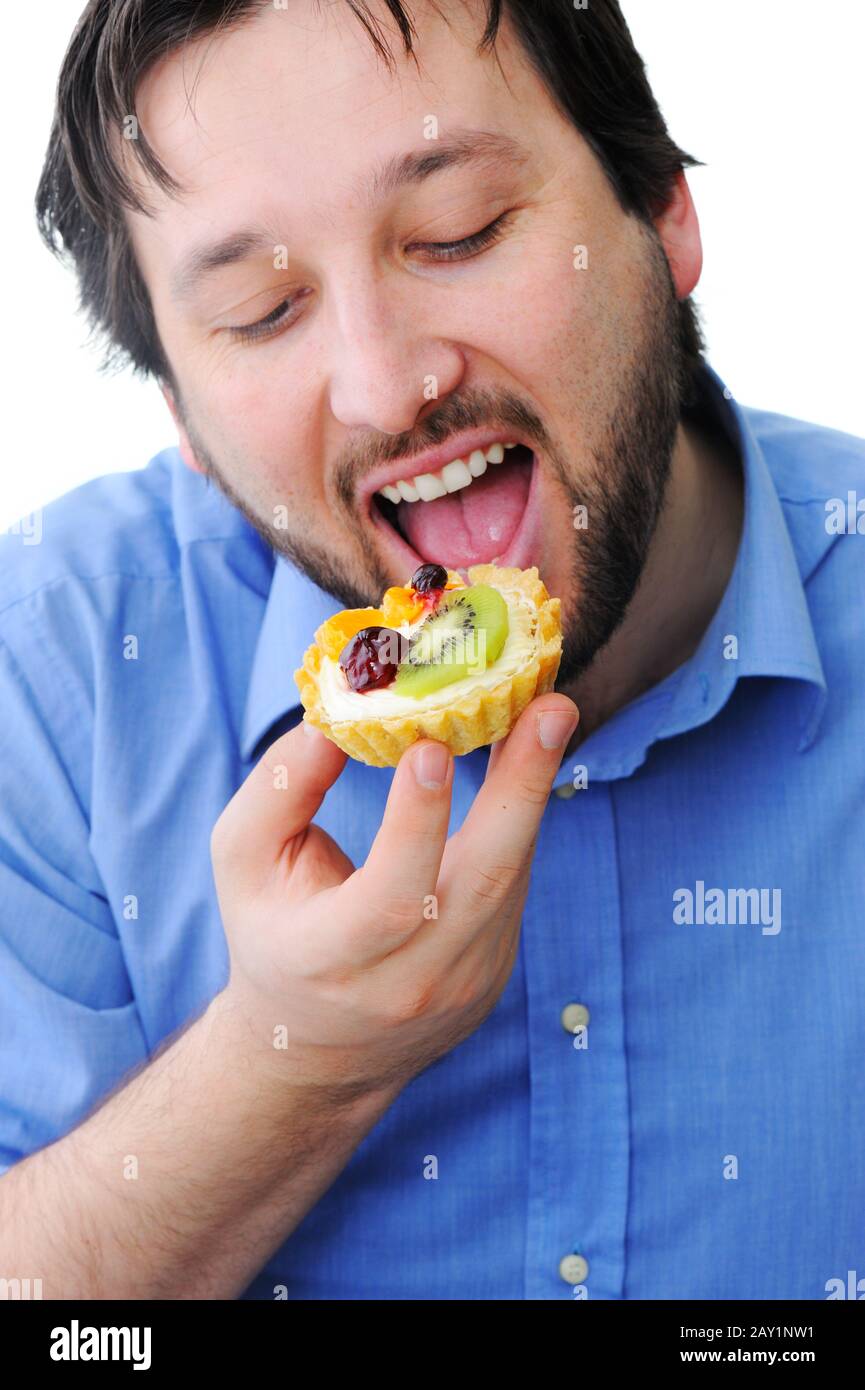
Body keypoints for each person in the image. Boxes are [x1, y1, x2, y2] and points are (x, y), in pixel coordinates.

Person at [0, 0, 862, 1301]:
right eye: (259, 307)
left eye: (457, 232)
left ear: (663, 211)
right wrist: (288, 1064)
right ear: (180, 410)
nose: (385, 381)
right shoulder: (53, 669)